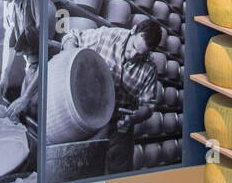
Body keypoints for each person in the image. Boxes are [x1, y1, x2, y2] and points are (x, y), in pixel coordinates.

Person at [59, 19, 162, 172]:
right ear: (133, 30)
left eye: (140, 54)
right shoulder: (107, 36)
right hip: (89, 111)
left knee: (119, 172)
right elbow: (71, 37)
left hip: (119, 122)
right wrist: (73, 58)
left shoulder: (149, 69)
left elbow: (148, 106)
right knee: (84, 167)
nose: (133, 55)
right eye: (133, 46)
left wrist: (134, 117)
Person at [0, 0, 41, 121]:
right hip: (31, 70)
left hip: (49, 72)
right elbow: (9, 37)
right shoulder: (9, 2)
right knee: (22, 118)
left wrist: (27, 96)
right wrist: (4, 75)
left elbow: (48, 55)